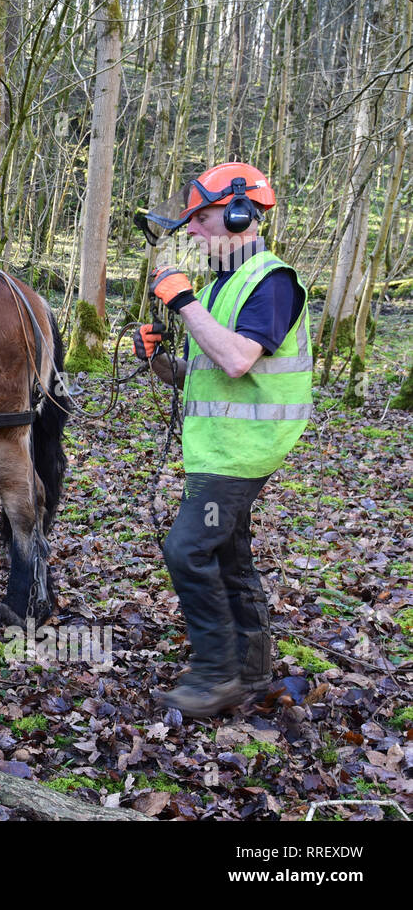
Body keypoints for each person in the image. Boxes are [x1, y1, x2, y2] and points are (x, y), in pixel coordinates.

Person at [133, 162, 312, 718]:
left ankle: (215, 677)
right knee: (229, 557)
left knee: (186, 550)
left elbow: (238, 360)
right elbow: (205, 370)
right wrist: (160, 361)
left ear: (239, 216)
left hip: (242, 450)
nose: (191, 231)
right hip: (220, 447)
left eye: (201, 219)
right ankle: (253, 670)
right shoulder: (222, 287)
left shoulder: (272, 281)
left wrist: (183, 303)